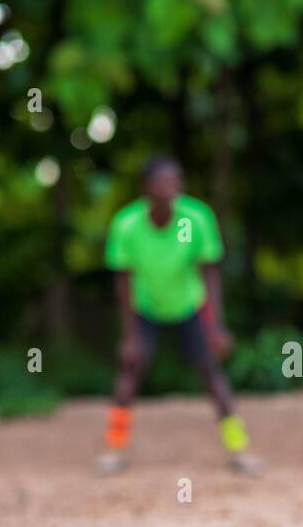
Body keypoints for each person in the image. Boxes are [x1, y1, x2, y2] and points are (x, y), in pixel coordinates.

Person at [97, 155, 258, 474]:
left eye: (176, 181)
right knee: (130, 370)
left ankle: (238, 448)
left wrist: (215, 327)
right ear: (146, 189)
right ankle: (114, 448)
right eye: (162, 182)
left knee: (212, 373)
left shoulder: (195, 219)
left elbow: (210, 274)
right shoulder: (127, 225)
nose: (171, 188)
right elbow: (124, 283)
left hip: (189, 305)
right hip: (145, 308)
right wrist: (129, 337)